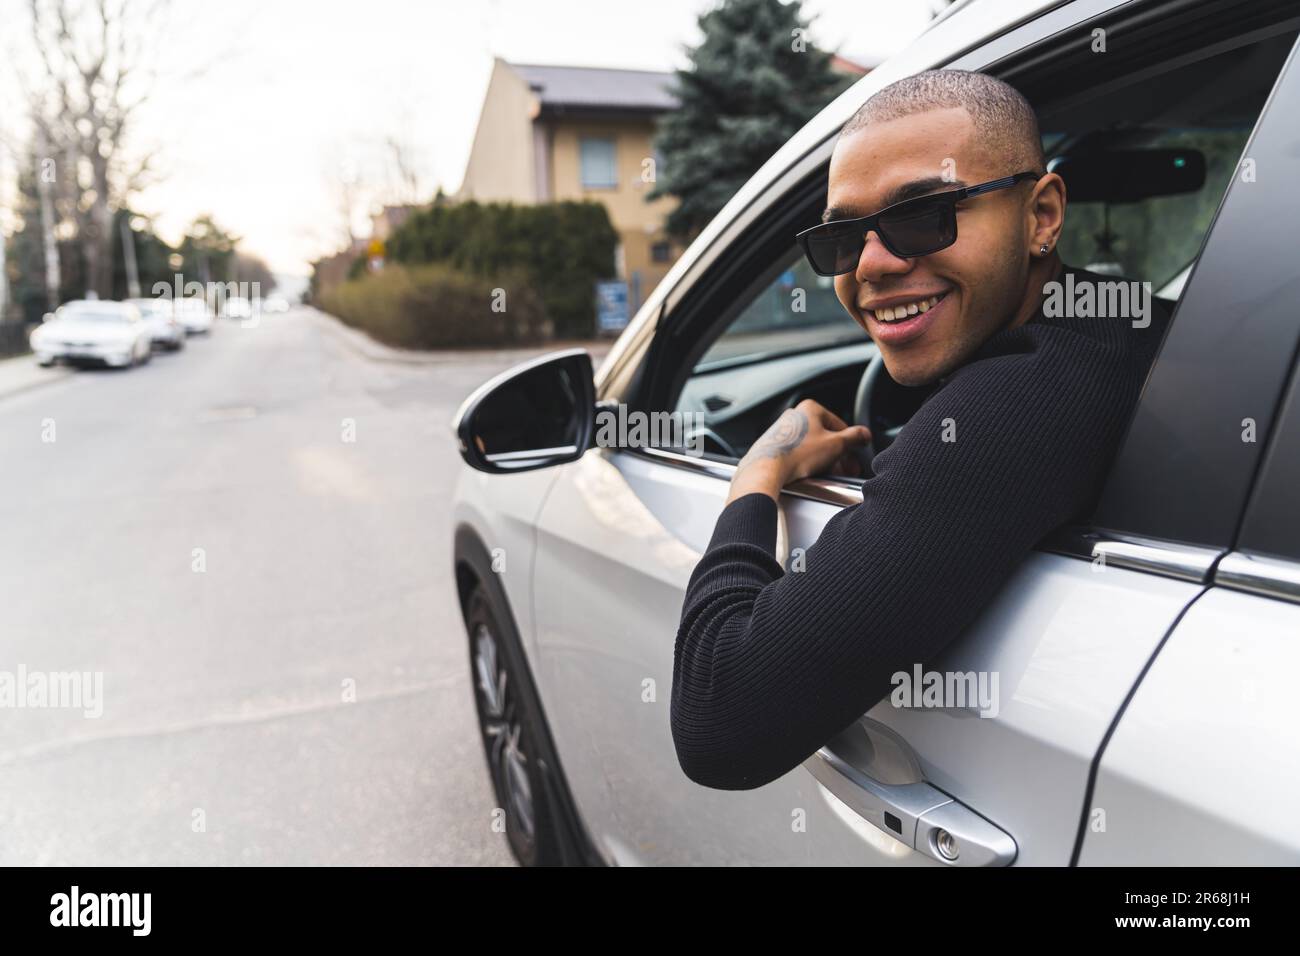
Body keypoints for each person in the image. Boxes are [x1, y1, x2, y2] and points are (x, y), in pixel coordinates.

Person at [670, 69, 1172, 791]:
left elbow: (719, 719)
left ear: (1042, 216)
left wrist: (757, 473)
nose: (873, 263)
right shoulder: (1123, 324)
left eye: (926, 214)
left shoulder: (1009, 408)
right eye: (843, 238)